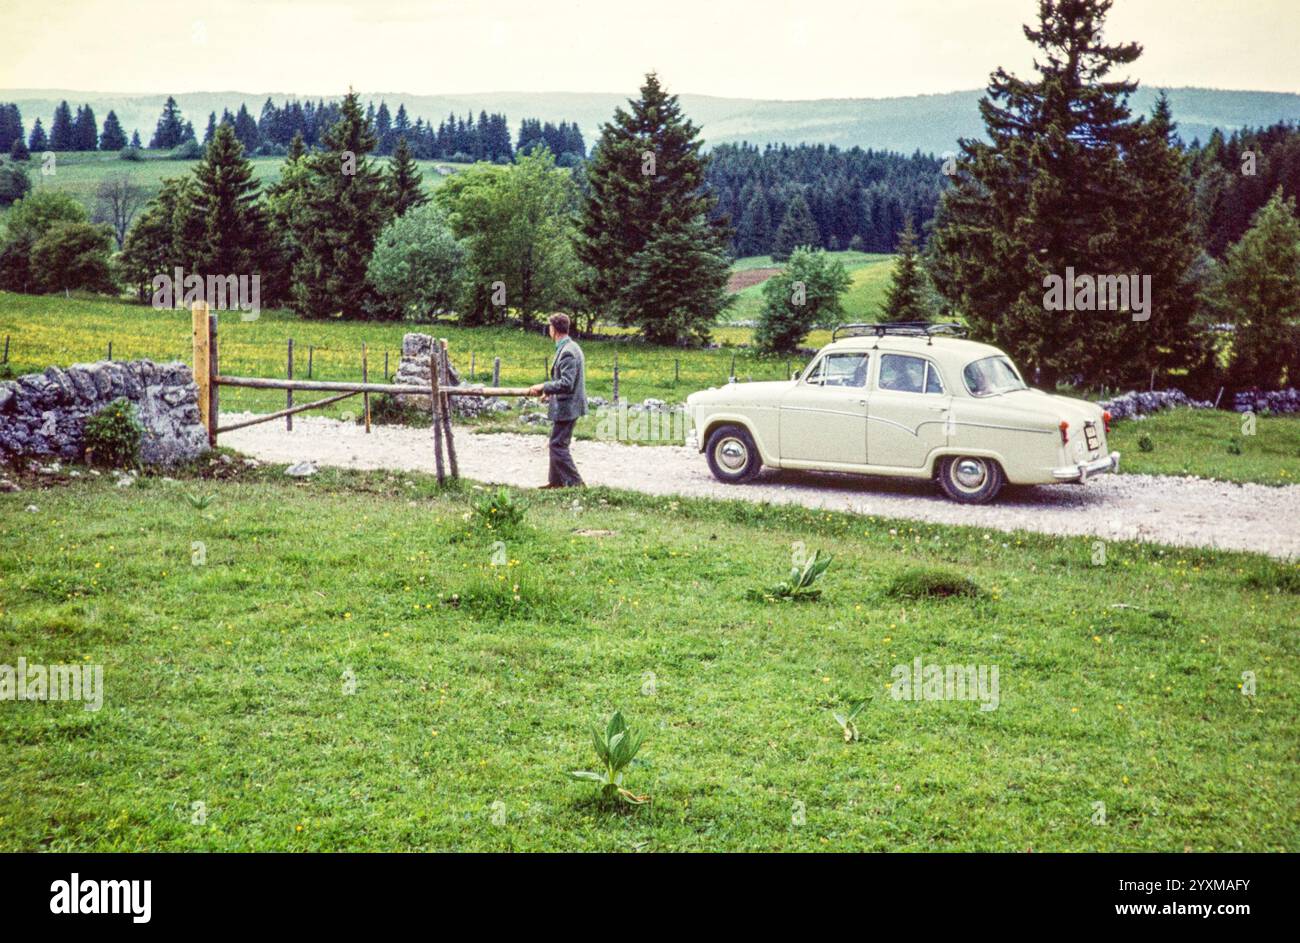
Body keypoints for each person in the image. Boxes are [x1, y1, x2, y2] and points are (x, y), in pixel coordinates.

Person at [528, 313, 586, 488]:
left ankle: (576, 485)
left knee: (558, 445)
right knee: (556, 443)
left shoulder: (568, 351)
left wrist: (544, 386)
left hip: (568, 407)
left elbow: (567, 384)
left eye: (550, 327)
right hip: (568, 405)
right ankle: (556, 482)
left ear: (553, 330)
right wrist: (550, 392)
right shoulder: (570, 346)